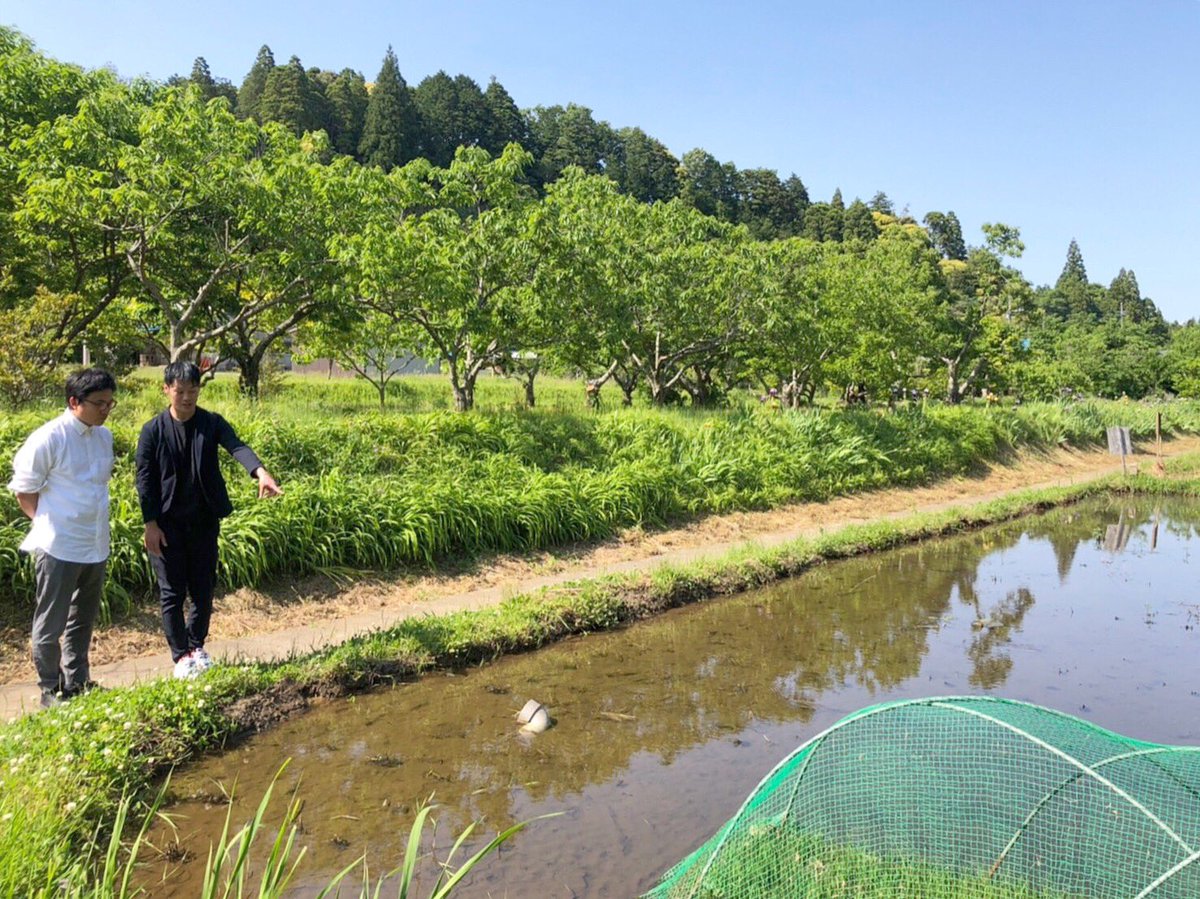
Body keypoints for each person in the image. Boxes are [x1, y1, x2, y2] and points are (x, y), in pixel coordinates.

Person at [135, 362, 282, 679]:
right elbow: (144, 481)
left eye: (193, 390)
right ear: (167, 390)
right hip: (166, 525)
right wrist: (150, 524)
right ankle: (181, 657)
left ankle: (196, 646)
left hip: (203, 521)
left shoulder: (210, 423)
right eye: (180, 391)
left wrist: (261, 472)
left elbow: (237, 446)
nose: (187, 398)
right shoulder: (152, 431)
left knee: (202, 589)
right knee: (172, 593)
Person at [7, 369, 117, 708]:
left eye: (110, 403)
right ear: (74, 402)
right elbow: (24, 489)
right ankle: (49, 690)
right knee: (51, 622)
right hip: (58, 544)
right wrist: (49, 522)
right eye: (99, 403)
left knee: (82, 620)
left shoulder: (104, 436)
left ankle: (78, 682)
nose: (106, 409)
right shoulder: (48, 438)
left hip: (94, 542)